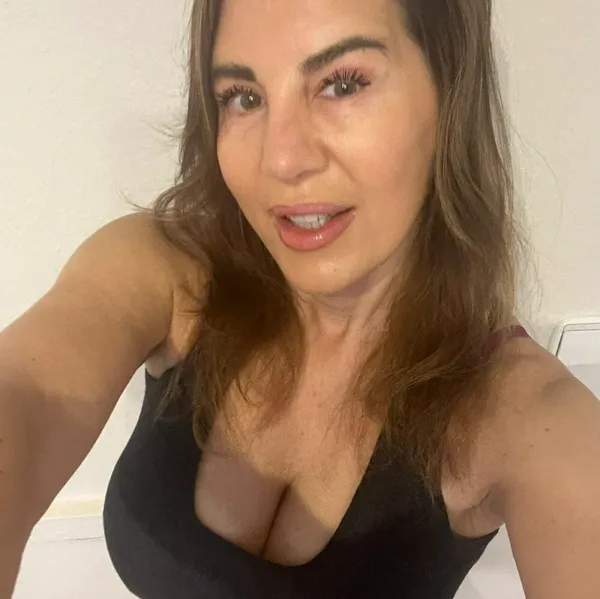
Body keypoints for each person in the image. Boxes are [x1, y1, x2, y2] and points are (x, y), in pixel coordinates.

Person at [1, 0, 599, 597]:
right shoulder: (165, 270)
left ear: (451, 91)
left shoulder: (529, 419)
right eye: (243, 97)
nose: (281, 159)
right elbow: (28, 393)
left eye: (343, 84)